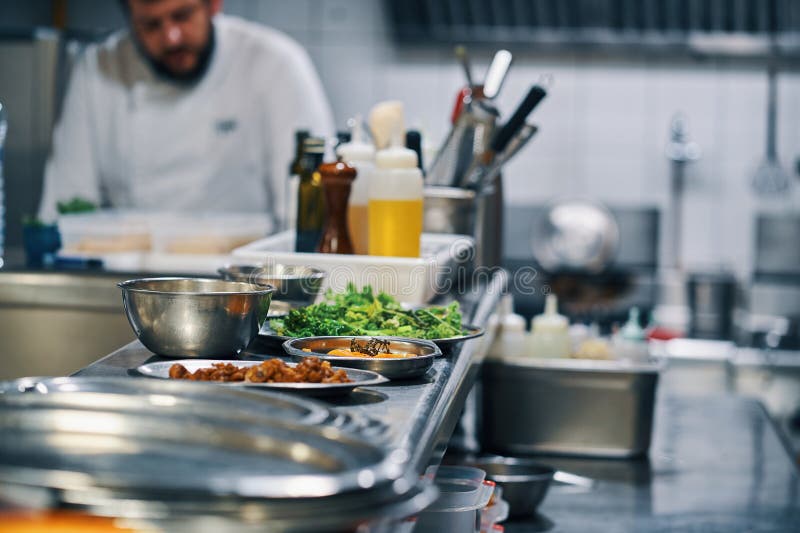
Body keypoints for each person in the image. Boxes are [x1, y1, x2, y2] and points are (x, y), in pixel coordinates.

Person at [38, 0, 335, 231]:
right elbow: (66, 208)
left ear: (214, 4)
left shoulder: (276, 64)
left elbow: (307, 218)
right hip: (131, 286)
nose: (171, 38)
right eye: (150, 25)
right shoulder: (98, 70)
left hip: (246, 288)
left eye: (182, 15)